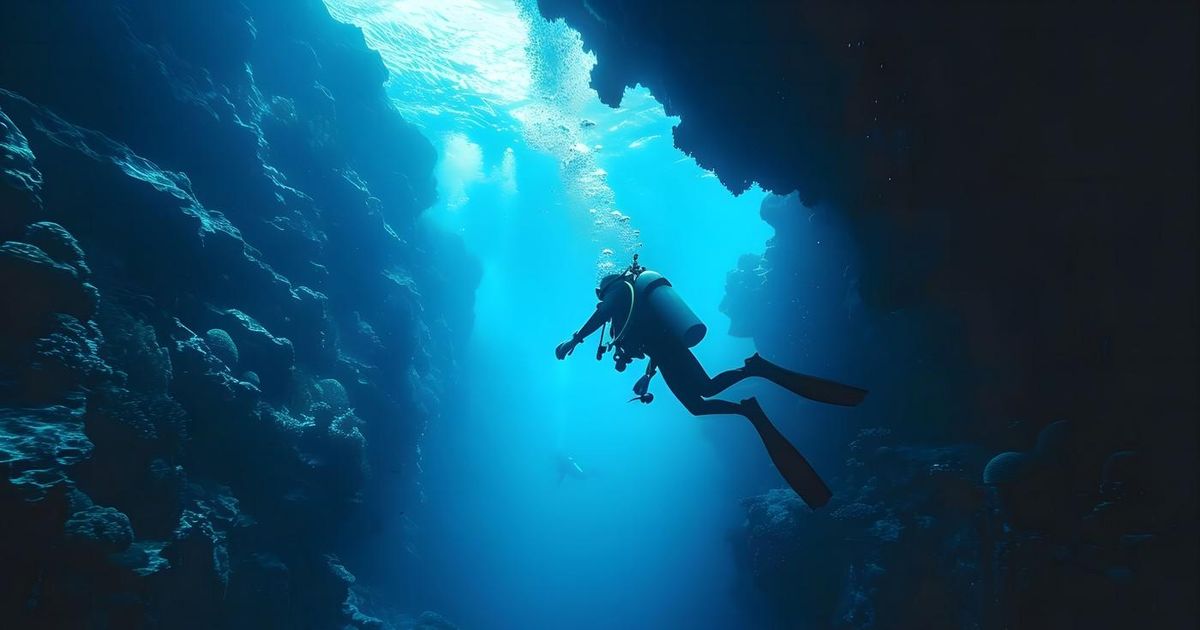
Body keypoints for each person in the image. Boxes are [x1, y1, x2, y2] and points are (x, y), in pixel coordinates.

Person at [555, 254, 867, 508]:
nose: (601, 304)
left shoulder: (618, 293)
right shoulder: (630, 298)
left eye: (600, 296)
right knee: (701, 397)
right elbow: (649, 338)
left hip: (670, 353)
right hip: (667, 354)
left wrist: (574, 340)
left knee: (699, 400)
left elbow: (604, 315)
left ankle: (752, 379)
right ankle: (749, 394)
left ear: (604, 288)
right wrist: (647, 379)